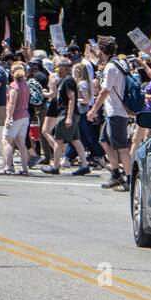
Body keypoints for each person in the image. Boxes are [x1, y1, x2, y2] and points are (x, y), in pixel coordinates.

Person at [86, 38, 131, 191]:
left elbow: (105, 90)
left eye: (98, 50)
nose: (96, 52)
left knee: (122, 147)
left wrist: (93, 110)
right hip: (112, 111)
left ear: (103, 50)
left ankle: (129, 179)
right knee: (104, 141)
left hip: (117, 112)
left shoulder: (111, 67)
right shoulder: (117, 62)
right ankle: (117, 174)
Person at [42, 57, 88, 174]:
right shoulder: (66, 80)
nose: (57, 70)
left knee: (58, 140)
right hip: (70, 114)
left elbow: (72, 99)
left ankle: (55, 167)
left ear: (64, 68)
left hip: (67, 113)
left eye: (59, 68)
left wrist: (68, 117)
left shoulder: (68, 80)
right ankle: (84, 165)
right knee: (76, 140)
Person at [1, 62, 33, 175]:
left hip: (16, 116)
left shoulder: (14, 86)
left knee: (7, 141)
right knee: (21, 142)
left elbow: (11, 103)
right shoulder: (26, 84)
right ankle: (24, 168)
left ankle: (8, 167)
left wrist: (8, 118)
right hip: (25, 115)